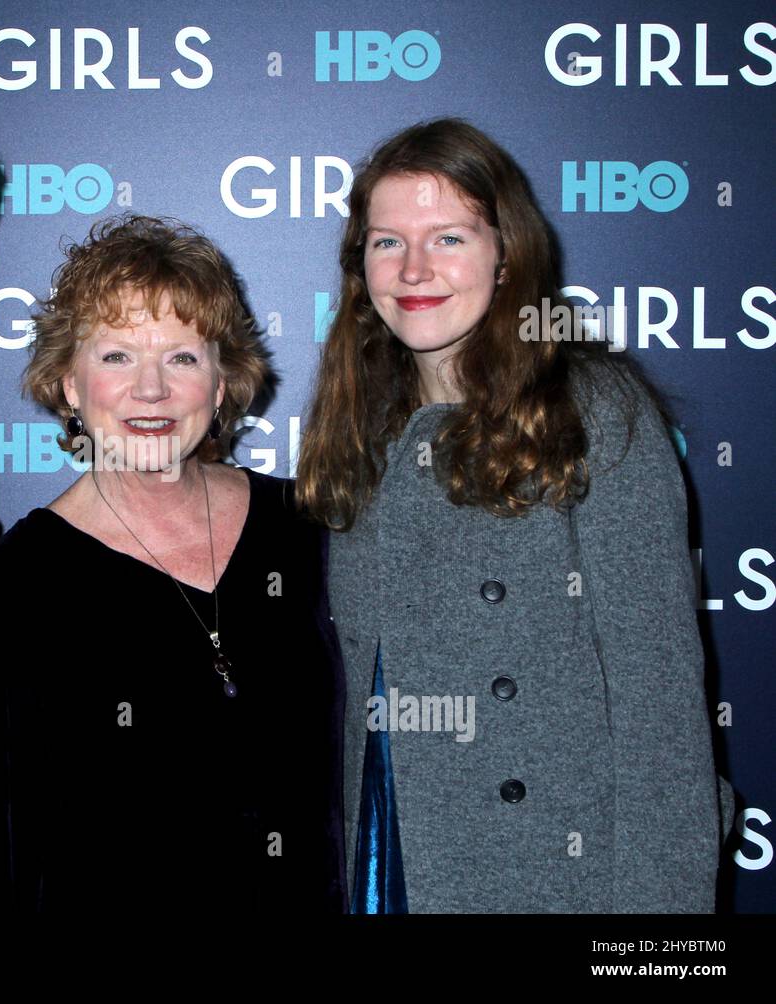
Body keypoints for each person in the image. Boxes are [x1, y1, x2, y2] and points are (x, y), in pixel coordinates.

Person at [296, 118, 731, 913]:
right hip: (391, 853)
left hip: (557, 873)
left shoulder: (594, 410)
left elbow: (659, 706)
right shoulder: (353, 427)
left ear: (507, 255)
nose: (415, 268)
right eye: (387, 242)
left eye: (450, 238)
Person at [0, 215, 346, 913]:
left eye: (182, 357)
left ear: (223, 383)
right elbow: (11, 851)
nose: (151, 390)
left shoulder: (310, 529)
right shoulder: (17, 586)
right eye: (116, 357)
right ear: (69, 386)